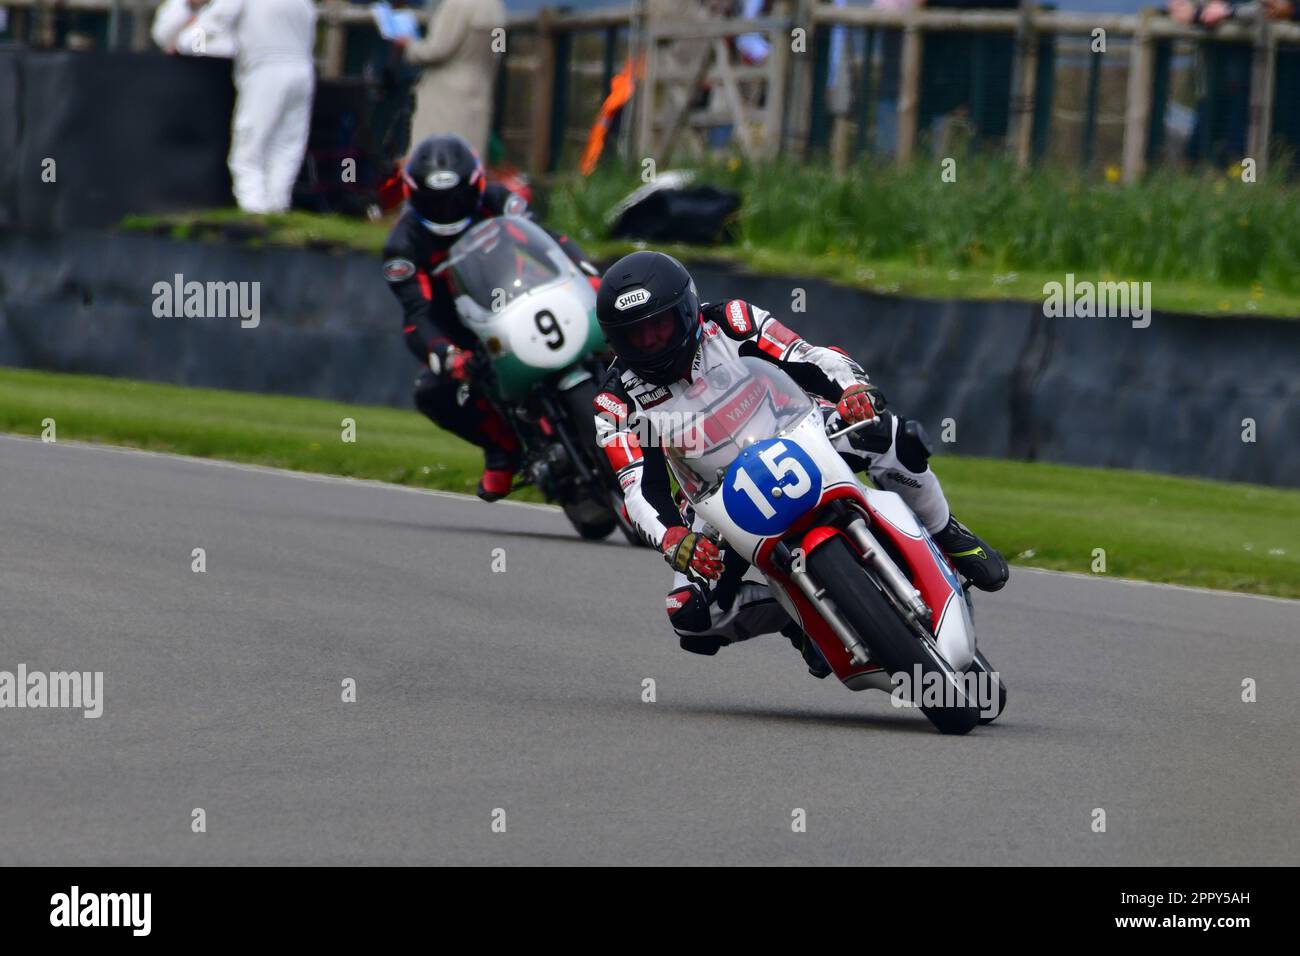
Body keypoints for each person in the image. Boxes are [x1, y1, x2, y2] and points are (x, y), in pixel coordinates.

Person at [592, 251, 1008, 677]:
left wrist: (852, 389)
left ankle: (947, 531)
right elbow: (639, 489)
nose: (651, 343)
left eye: (659, 328)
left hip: (801, 434)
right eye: (636, 337)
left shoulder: (733, 321)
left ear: (684, 311)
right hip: (717, 496)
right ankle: (798, 614)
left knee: (892, 435)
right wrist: (673, 538)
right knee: (692, 615)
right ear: (615, 342)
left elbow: (807, 357)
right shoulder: (615, 403)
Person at [381, 133, 600, 501]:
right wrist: (447, 353)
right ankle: (502, 449)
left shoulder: (500, 201)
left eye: (456, 198)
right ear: (413, 194)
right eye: (436, 201)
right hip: (462, 331)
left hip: (522, 300)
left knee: (612, 323)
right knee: (432, 392)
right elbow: (417, 313)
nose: (448, 209)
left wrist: (586, 272)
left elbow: (548, 241)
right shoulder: (402, 246)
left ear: (476, 184)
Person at [164, 0, 317, 214]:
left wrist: (184, 44)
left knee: (248, 151)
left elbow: (213, 23)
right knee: (286, 146)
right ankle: (276, 207)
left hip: (266, 71)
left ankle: (254, 210)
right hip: (303, 72)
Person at [396, 0, 506, 158]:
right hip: (481, 88)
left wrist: (408, 46)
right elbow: (498, 49)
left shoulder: (456, 5)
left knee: (437, 158)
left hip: (445, 93)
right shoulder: (496, 7)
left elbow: (437, 50)